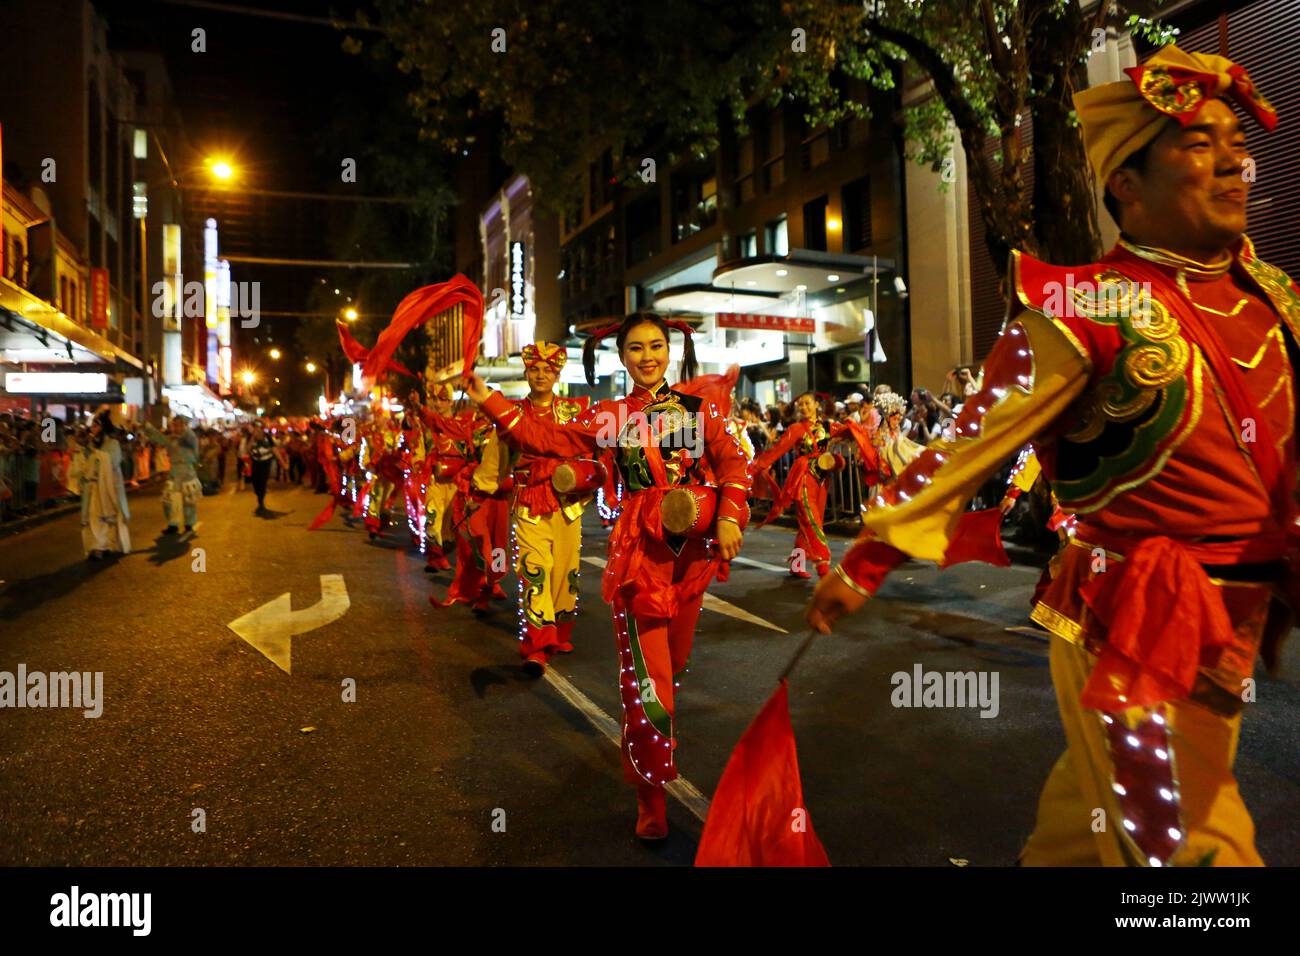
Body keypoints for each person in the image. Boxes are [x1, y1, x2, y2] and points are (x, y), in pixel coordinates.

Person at [810, 45, 1291, 867]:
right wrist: (871, 552)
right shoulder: (1082, 307)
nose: (1233, 162)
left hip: (1235, 626)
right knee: (1193, 859)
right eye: (1198, 145)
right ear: (1127, 187)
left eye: (1231, 140)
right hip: (1135, 629)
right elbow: (972, 435)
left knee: (1082, 830)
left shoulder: (1271, 294)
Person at [462, 312, 750, 841]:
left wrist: (729, 517)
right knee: (648, 687)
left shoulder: (697, 410)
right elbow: (540, 436)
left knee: (674, 668)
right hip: (640, 558)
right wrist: (484, 393)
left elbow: (734, 467)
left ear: (671, 350)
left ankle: (653, 754)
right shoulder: (611, 416)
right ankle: (651, 797)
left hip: (690, 558)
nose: (648, 356)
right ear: (621, 357)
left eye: (656, 346)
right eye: (636, 348)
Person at [500, 342, 592, 674]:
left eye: (547, 370)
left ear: (557, 375)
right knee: (534, 571)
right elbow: (498, 458)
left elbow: (588, 449)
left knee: (565, 572)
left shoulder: (573, 411)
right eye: (535, 370)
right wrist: (486, 485)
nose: (541, 375)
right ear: (526, 373)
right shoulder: (511, 413)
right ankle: (537, 645)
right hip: (528, 500)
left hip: (567, 503)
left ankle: (560, 634)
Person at [750, 391, 875, 579]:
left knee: (807, 523)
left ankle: (797, 563)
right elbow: (776, 451)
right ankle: (823, 566)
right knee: (812, 521)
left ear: (817, 405)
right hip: (803, 479)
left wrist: (862, 422)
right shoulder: (796, 429)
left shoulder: (827, 425)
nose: (804, 407)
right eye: (801, 404)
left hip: (822, 480)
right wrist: (750, 470)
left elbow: (851, 433)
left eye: (807, 403)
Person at [76, 409, 131, 559]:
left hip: (109, 487)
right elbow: (85, 465)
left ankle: (107, 545)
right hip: (94, 488)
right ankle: (97, 547)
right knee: (95, 517)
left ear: (102, 428)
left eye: (95, 426)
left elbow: (113, 462)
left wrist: (97, 457)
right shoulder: (91, 446)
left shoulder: (113, 444)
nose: (92, 429)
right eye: (92, 426)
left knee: (109, 518)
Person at [142, 414, 201, 534]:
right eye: (175, 425)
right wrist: (147, 427)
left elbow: (190, 438)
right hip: (174, 473)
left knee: (188, 501)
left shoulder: (190, 438)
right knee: (169, 501)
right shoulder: (171, 439)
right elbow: (158, 438)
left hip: (187, 473)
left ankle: (189, 523)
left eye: (180, 425)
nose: (177, 427)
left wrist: (183, 429)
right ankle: (173, 524)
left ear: (185, 426)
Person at [247, 420, 277, 512]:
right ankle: (259, 495)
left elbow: (274, 449)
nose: (257, 430)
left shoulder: (268, 437)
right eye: (256, 428)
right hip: (256, 462)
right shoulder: (251, 438)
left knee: (263, 482)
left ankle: (261, 502)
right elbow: (248, 449)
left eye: (259, 428)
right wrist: (253, 438)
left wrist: (283, 463)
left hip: (266, 462)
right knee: (255, 481)